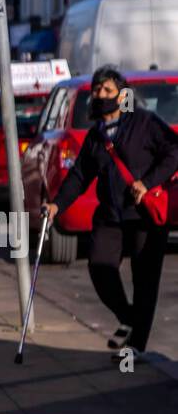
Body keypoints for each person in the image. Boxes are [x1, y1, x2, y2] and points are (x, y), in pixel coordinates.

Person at [45, 66, 178, 359]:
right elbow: (79, 176)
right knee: (99, 266)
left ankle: (136, 347)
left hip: (146, 216)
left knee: (145, 281)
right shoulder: (95, 136)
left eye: (106, 90)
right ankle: (128, 317)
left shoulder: (144, 123)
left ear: (122, 95)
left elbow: (174, 151)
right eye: (96, 90)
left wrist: (148, 182)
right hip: (111, 216)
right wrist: (57, 205)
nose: (99, 95)